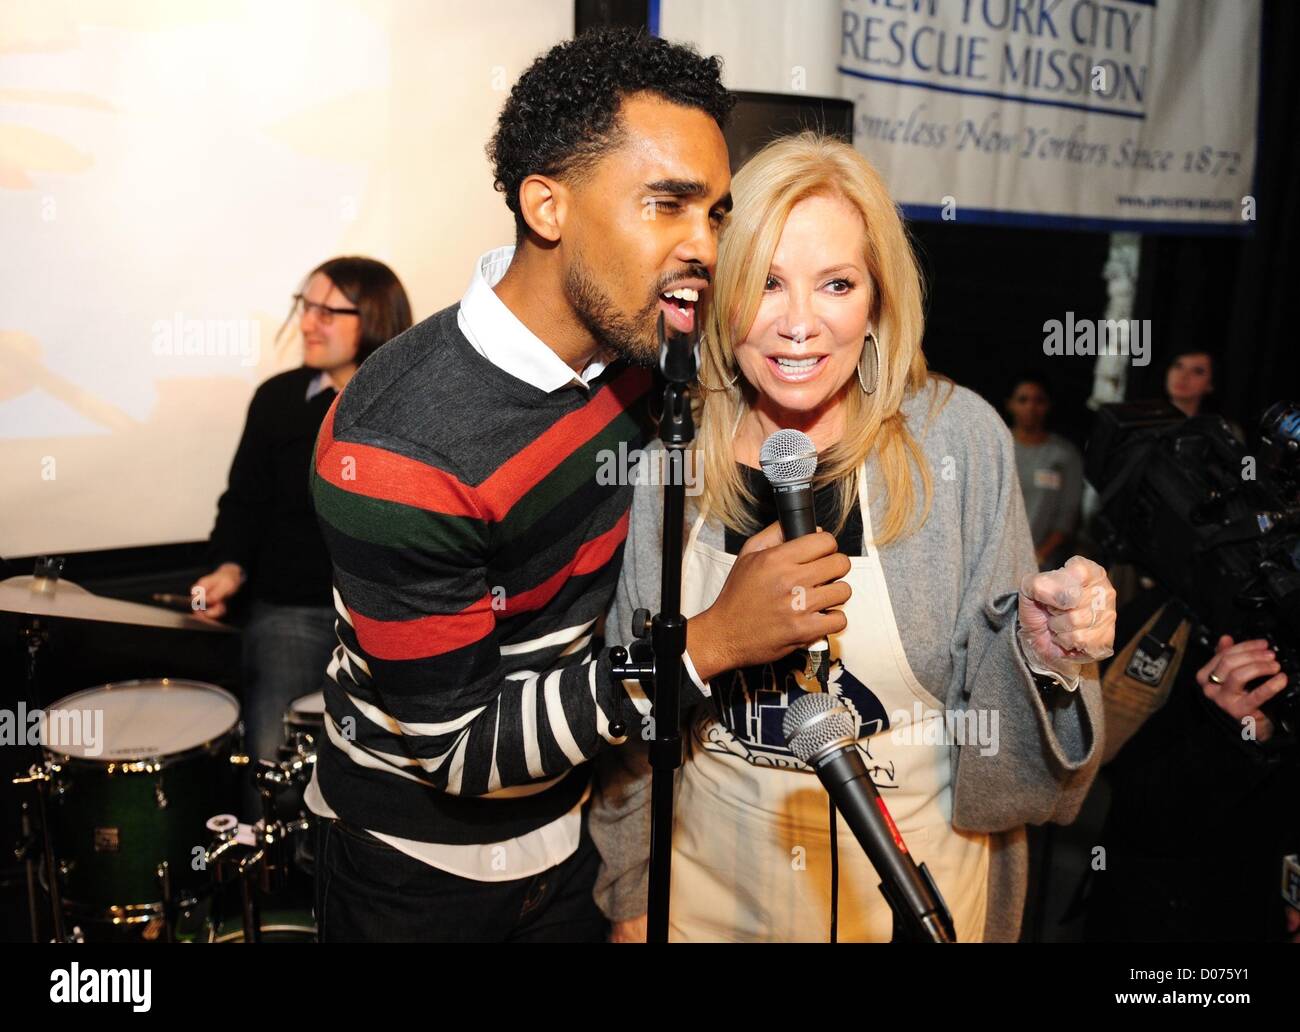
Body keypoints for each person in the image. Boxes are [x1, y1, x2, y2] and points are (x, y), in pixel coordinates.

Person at [302, 29, 853, 943]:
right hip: (418, 873)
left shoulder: (646, 351)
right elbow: (460, 752)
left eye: (714, 213)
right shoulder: (396, 442)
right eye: (667, 205)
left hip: (582, 832)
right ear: (547, 206)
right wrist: (708, 644)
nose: (705, 247)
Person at [590, 133, 1117, 943]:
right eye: (766, 282)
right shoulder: (674, 450)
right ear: (722, 291)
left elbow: (1018, 764)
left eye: (835, 283)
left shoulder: (958, 439)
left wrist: (1047, 654)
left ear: (877, 300)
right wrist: (628, 892)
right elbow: (633, 707)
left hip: (917, 888)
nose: (799, 324)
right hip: (708, 890)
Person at [193, 257, 411, 773]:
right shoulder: (277, 399)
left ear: (374, 317)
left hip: (390, 617)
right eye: (305, 306)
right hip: (293, 610)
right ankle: (272, 851)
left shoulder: (409, 403)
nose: (308, 323)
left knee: (382, 768)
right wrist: (228, 568)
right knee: (276, 758)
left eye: (327, 311)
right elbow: (243, 500)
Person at [1005, 374, 1084, 570]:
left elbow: (1068, 514)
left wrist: (1037, 556)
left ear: (1048, 406)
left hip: (1042, 564)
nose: (1030, 407)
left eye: (1038, 400)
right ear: (1010, 404)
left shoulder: (1064, 454)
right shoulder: (996, 446)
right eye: (1023, 400)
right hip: (995, 560)